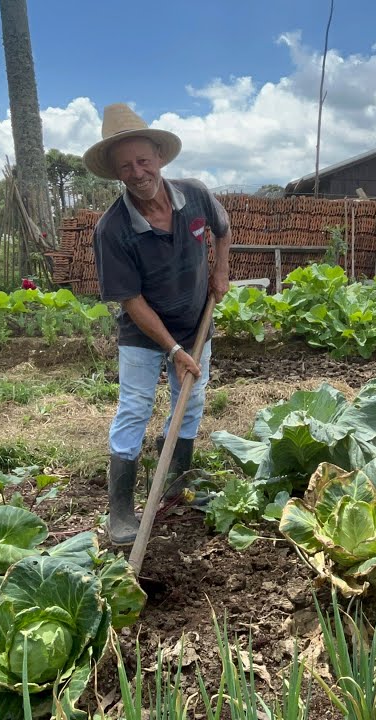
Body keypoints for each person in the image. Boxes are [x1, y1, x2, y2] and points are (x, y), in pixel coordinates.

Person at [83, 103, 231, 545]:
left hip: (195, 321)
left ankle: (174, 483)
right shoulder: (113, 229)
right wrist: (172, 350)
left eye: (143, 161)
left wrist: (220, 271)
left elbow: (222, 229)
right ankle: (122, 510)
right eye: (125, 166)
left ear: (160, 159)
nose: (137, 172)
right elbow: (131, 300)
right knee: (135, 408)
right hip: (144, 335)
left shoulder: (196, 196)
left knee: (190, 400)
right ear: (115, 173)